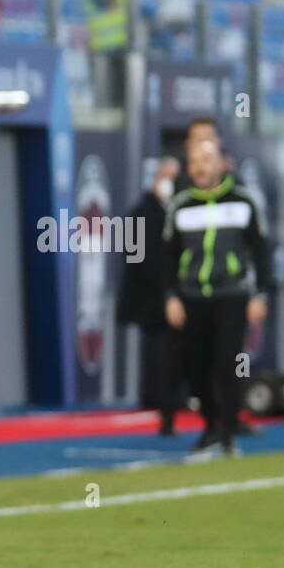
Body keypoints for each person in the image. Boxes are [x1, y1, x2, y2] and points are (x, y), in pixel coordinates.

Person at [162, 139, 273, 454]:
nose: (199, 167)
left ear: (220, 164)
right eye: (194, 161)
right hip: (192, 296)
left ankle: (227, 430)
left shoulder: (243, 201)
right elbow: (168, 257)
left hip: (231, 295)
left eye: (206, 160)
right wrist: (171, 297)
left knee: (229, 363)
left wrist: (260, 295)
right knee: (195, 366)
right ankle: (211, 424)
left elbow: (260, 251)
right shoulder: (181, 205)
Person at [116, 157, 182, 434]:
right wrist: (164, 289)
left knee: (173, 353)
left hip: (176, 297)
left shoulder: (179, 210)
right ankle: (157, 401)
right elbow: (134, 257)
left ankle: (171, 402)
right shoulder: (139, 212)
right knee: (158, 352)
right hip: (151, 300)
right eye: (164, 176)